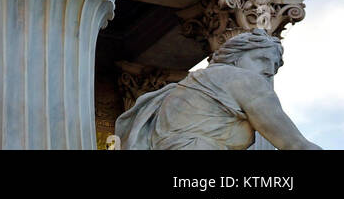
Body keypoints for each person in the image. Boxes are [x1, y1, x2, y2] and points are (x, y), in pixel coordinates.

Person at [115, 28, 321, 150]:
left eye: (274, 66)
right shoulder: (243, 80)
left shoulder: (188, 84)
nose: (268, 70)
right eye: (262, 59)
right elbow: (293, 144)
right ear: (237, 55)